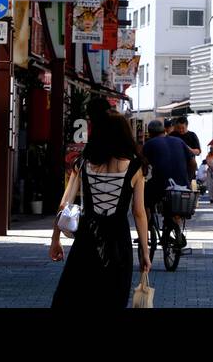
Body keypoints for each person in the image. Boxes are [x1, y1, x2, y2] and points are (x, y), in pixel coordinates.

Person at [49, 100, 151, 307]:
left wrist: (55, 240)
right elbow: (139, 213)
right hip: (118, 241)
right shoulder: (135, 168)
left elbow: (64, 205)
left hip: (87, 238)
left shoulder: (83, 163)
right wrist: (145, 252)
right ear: (124, 135)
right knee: (113, 297)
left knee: (77, 296)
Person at [142, 118, 193, 209]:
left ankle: (148, 222)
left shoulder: (149, 144)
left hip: (160, 185)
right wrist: (188, 180)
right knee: (178, 211)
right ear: (164, 130)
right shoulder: (179, 141)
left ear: (150, 133)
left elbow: (144, 167)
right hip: (183, 186)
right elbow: (193, 163)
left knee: (143, 200)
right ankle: (177, 220)